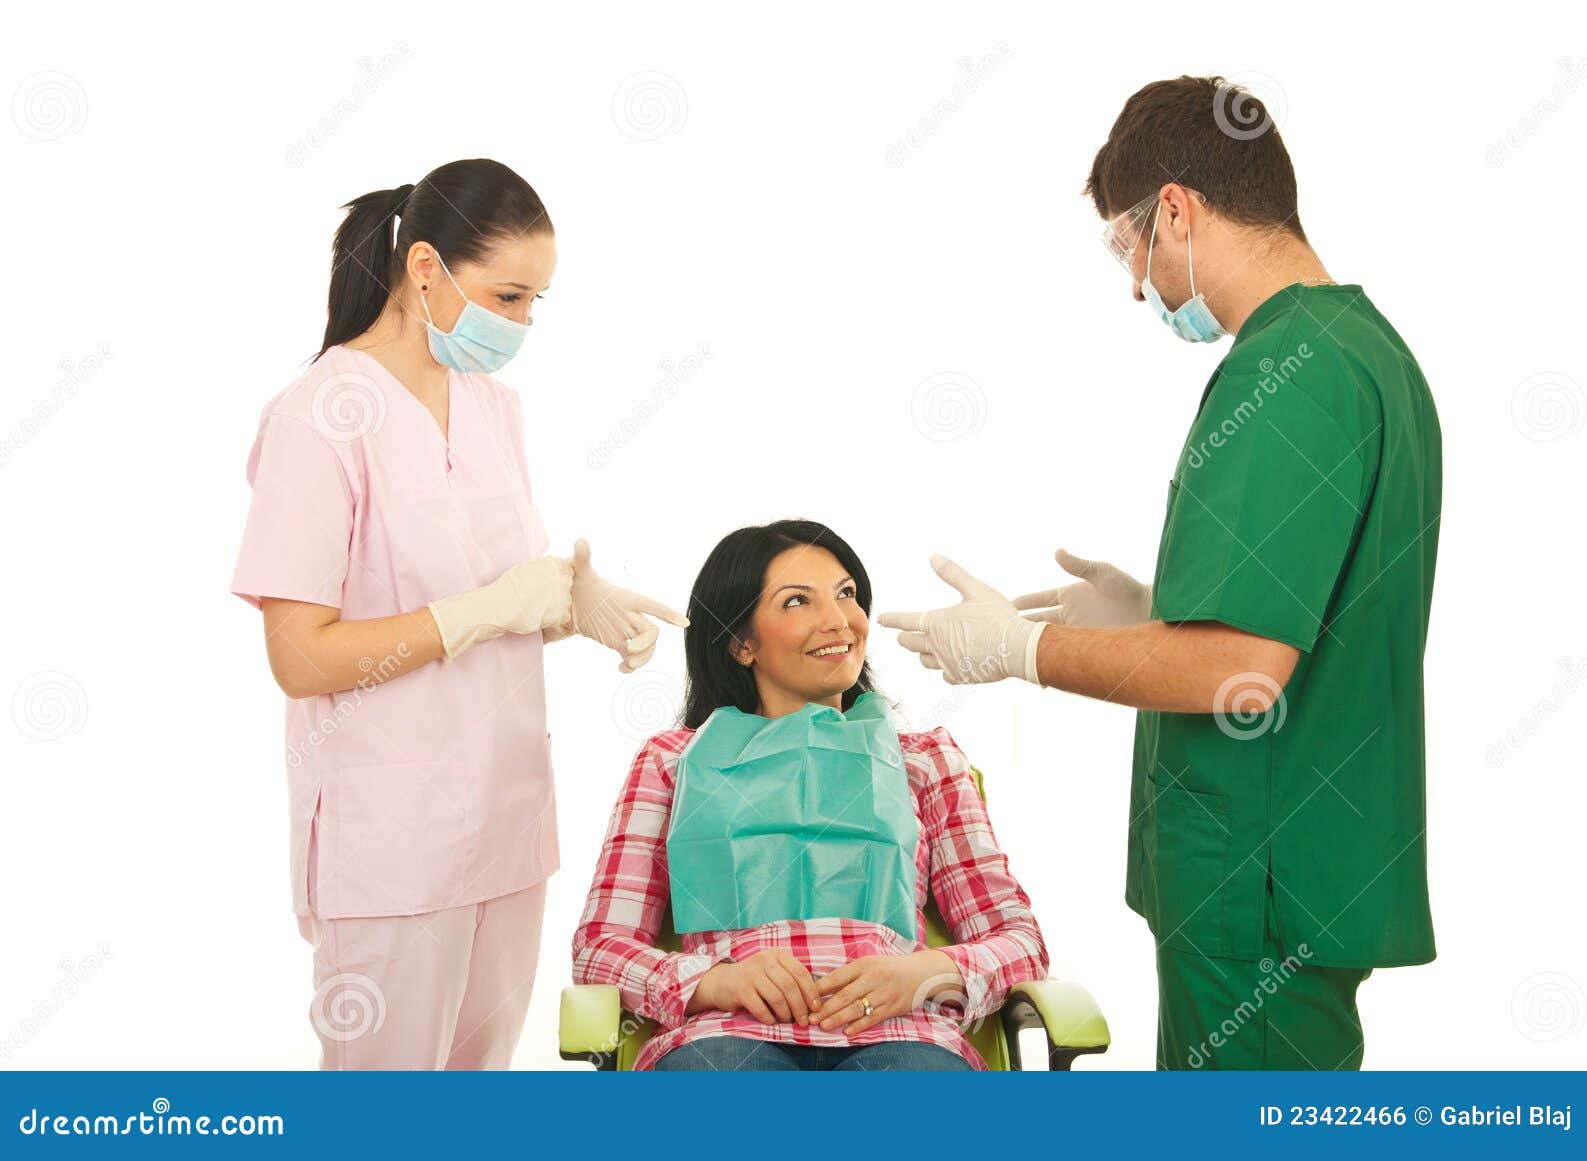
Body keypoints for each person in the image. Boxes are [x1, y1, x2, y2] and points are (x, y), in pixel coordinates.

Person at [880, 77, 1441, 1070]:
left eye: (1127, 246)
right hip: (1294, 870)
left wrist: (1026, 651)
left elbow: (1237, 669)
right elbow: (1308, 617)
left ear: (1175, 208)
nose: (1136, 284)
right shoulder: (1356, 351)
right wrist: (1153, 612)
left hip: (1254, 889)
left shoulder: (1289, 377)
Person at [230, 158, 687, 1069]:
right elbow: (301, 657)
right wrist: (478, 611)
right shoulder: (321, 416)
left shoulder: (492, 406)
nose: (520, 323)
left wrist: (565, 602)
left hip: (508, 823)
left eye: (535, 303)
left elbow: (498, 585)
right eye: (508, 295)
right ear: (426, 268)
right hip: (392, 841)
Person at [571, 520, 1048, 1070]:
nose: (838, 620)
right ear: (741, 643)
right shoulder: (673, 763)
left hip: (902, 1033)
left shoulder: (923, 759)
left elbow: (1018, 940)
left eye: (846, 594)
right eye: (797, 601)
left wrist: (924, 973)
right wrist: (715, 982)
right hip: (726, 1035)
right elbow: (600, 947)